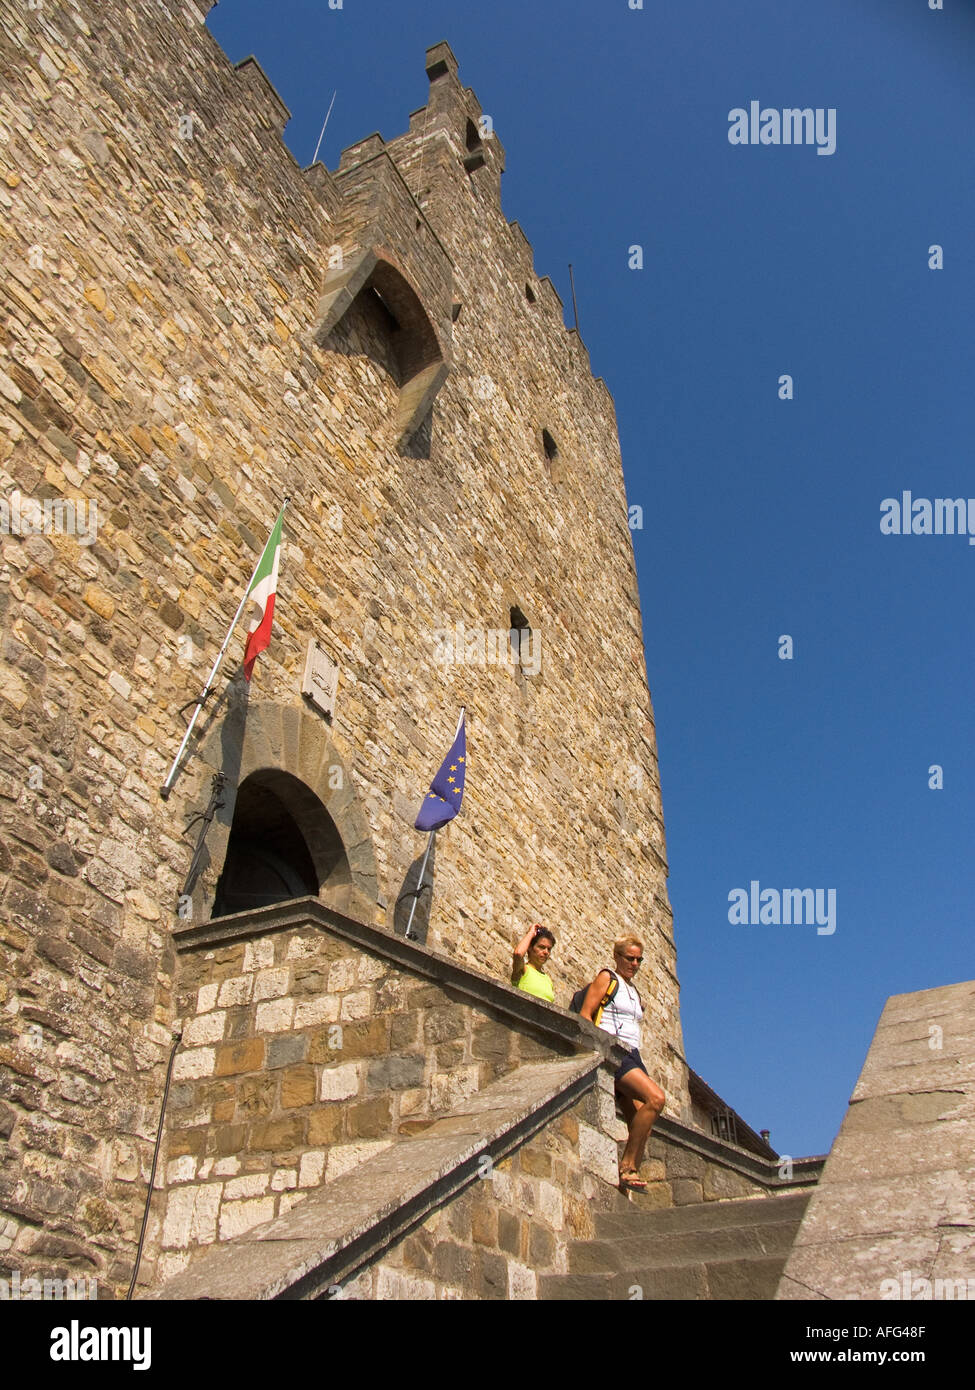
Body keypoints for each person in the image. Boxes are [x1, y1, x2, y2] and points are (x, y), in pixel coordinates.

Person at [579, 933, 666, 1192]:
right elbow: (585, 1014)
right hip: (615, 1051)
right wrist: (595, 1049)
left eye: (639, 960)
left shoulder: (633, 990)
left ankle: (627, 1176)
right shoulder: (607, 978)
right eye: (630, 958)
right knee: (656, 1099)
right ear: (617, 957)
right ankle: (628, 1166)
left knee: (644, 1124)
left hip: (633, 1054)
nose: (635, 964)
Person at [511, 923, 556, 1003]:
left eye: (549, 949)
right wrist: (531, 933)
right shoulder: (523, 970)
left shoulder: (548, 980)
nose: (546, 952)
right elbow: (518, 954)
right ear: (530, 948)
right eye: (541, 947)